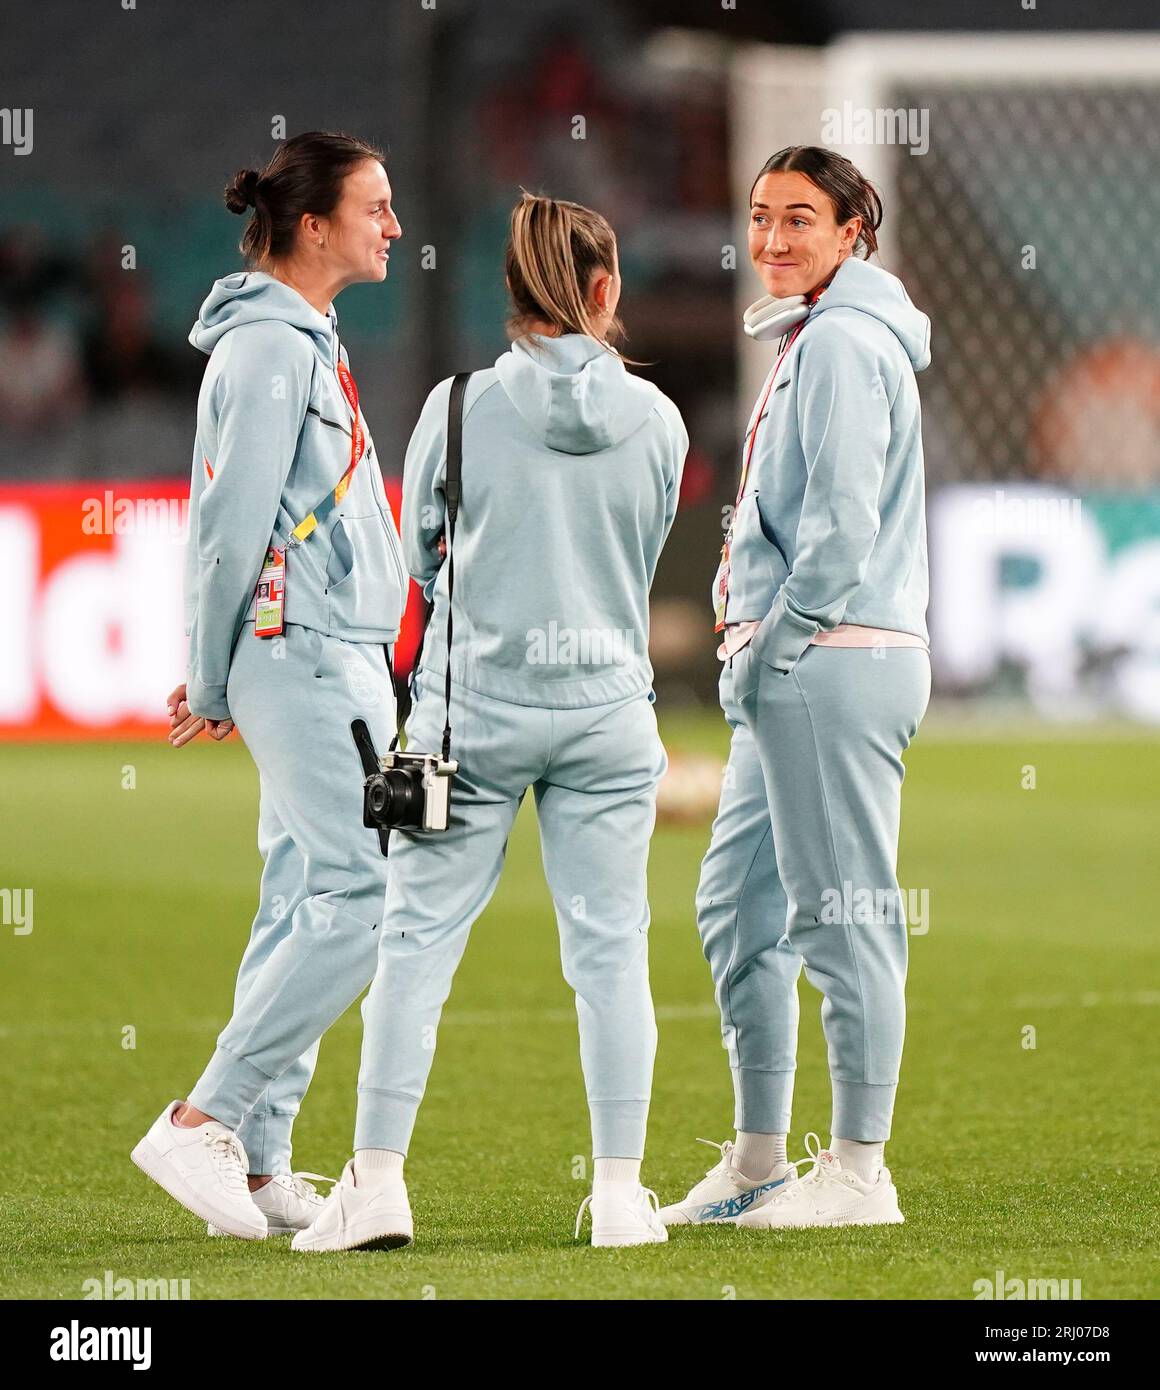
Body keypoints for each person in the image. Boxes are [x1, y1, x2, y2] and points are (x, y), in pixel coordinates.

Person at [292, 191, 689, 1253]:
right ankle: (616, 1193)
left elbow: (420, 554)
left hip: (471, 718)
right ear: (604, 292)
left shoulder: (457, 406)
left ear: (510, 296)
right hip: (608, 712)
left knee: (415, 944)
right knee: (611, 953)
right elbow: (643, 549)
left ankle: (374, 1183)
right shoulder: (659, 419)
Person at [131, 131, 408, 1241]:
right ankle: (208, 1115)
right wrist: (212, 675)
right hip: (303, 649)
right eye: (375, 206)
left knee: (303, 898)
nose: (394, 225)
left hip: (331, 651)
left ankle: (254, 1161)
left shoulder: (300, 341)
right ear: (312, 224)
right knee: (361, 898)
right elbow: (225, 522)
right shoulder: (268, 349)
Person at [660, 146, 932, 1229]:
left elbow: (838, 527)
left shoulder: (841, 345)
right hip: (809, 661)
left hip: (829, 661)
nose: (771, 239)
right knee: (736, 908)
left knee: (843, 915)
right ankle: (758, 1160)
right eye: (761, 217)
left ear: (852, 230)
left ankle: (859, 1173)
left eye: (798, 220)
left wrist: (769, 655)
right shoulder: (821, 335)